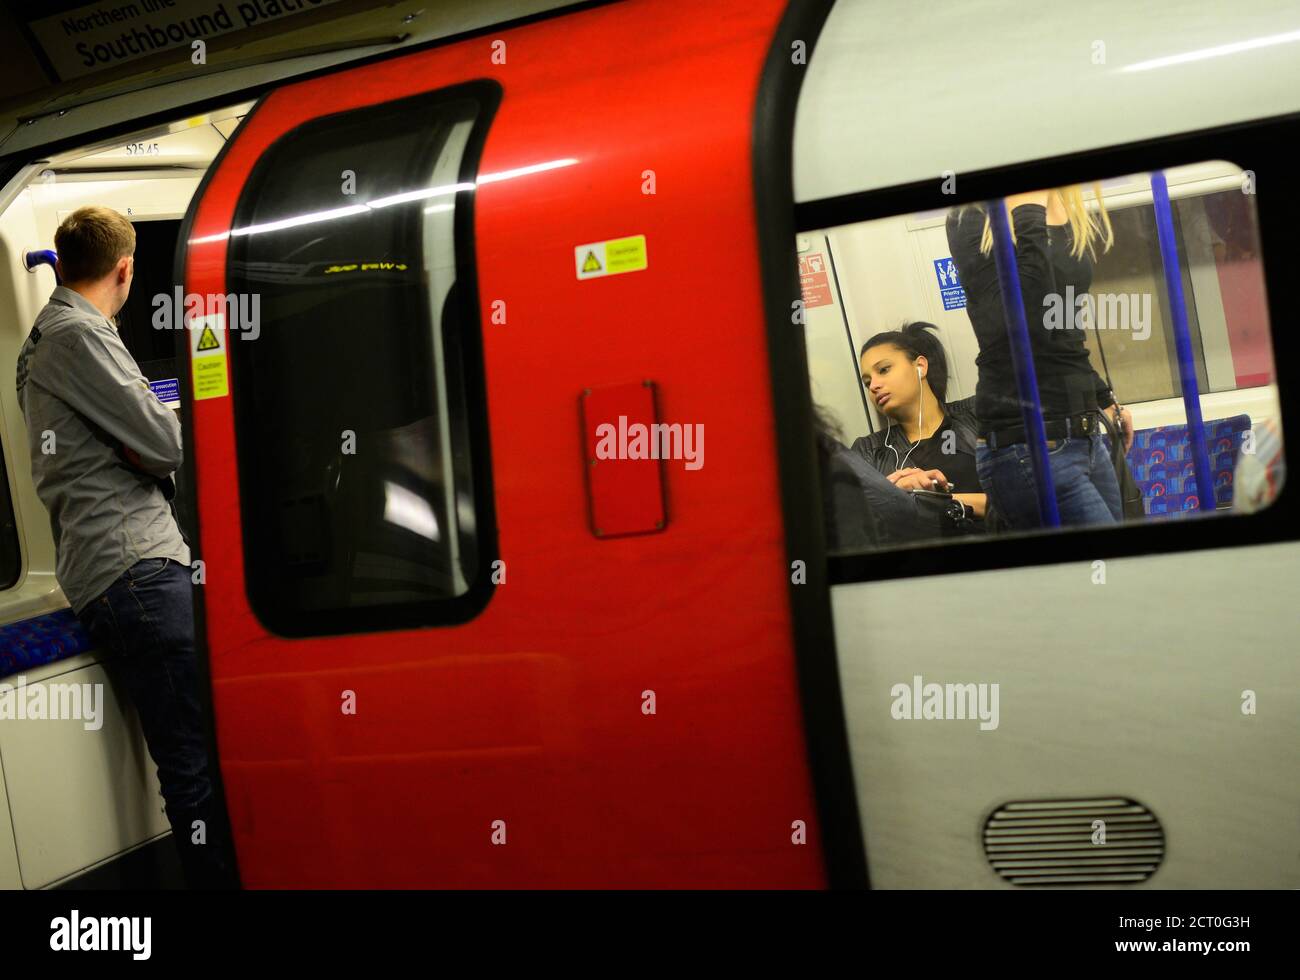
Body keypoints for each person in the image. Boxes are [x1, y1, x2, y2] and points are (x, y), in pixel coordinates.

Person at [14, 206, 235, 888]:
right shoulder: (81, 336)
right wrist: (145, 438)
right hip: (136, 567)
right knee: (197, 760)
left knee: (189, 755)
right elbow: (166, 447)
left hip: (107, 568)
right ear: (125, 269)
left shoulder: (46, 337)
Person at [946, 185, 1135, 529]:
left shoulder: (1064, 201)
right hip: (1026, 445)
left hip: (1085, 432)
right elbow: (1024, 327)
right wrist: (1027, 212)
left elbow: (1063, 325)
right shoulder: (972, 214)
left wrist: (1101, 396)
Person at [851, 321, 987, 527]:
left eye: (884, 369)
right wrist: (890, 495)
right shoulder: (868, 451)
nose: (874, 386)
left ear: (920, 367)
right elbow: (858, 526)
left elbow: (1027, 495)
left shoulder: (978, 414)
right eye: (867, 382)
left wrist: (938, 503)